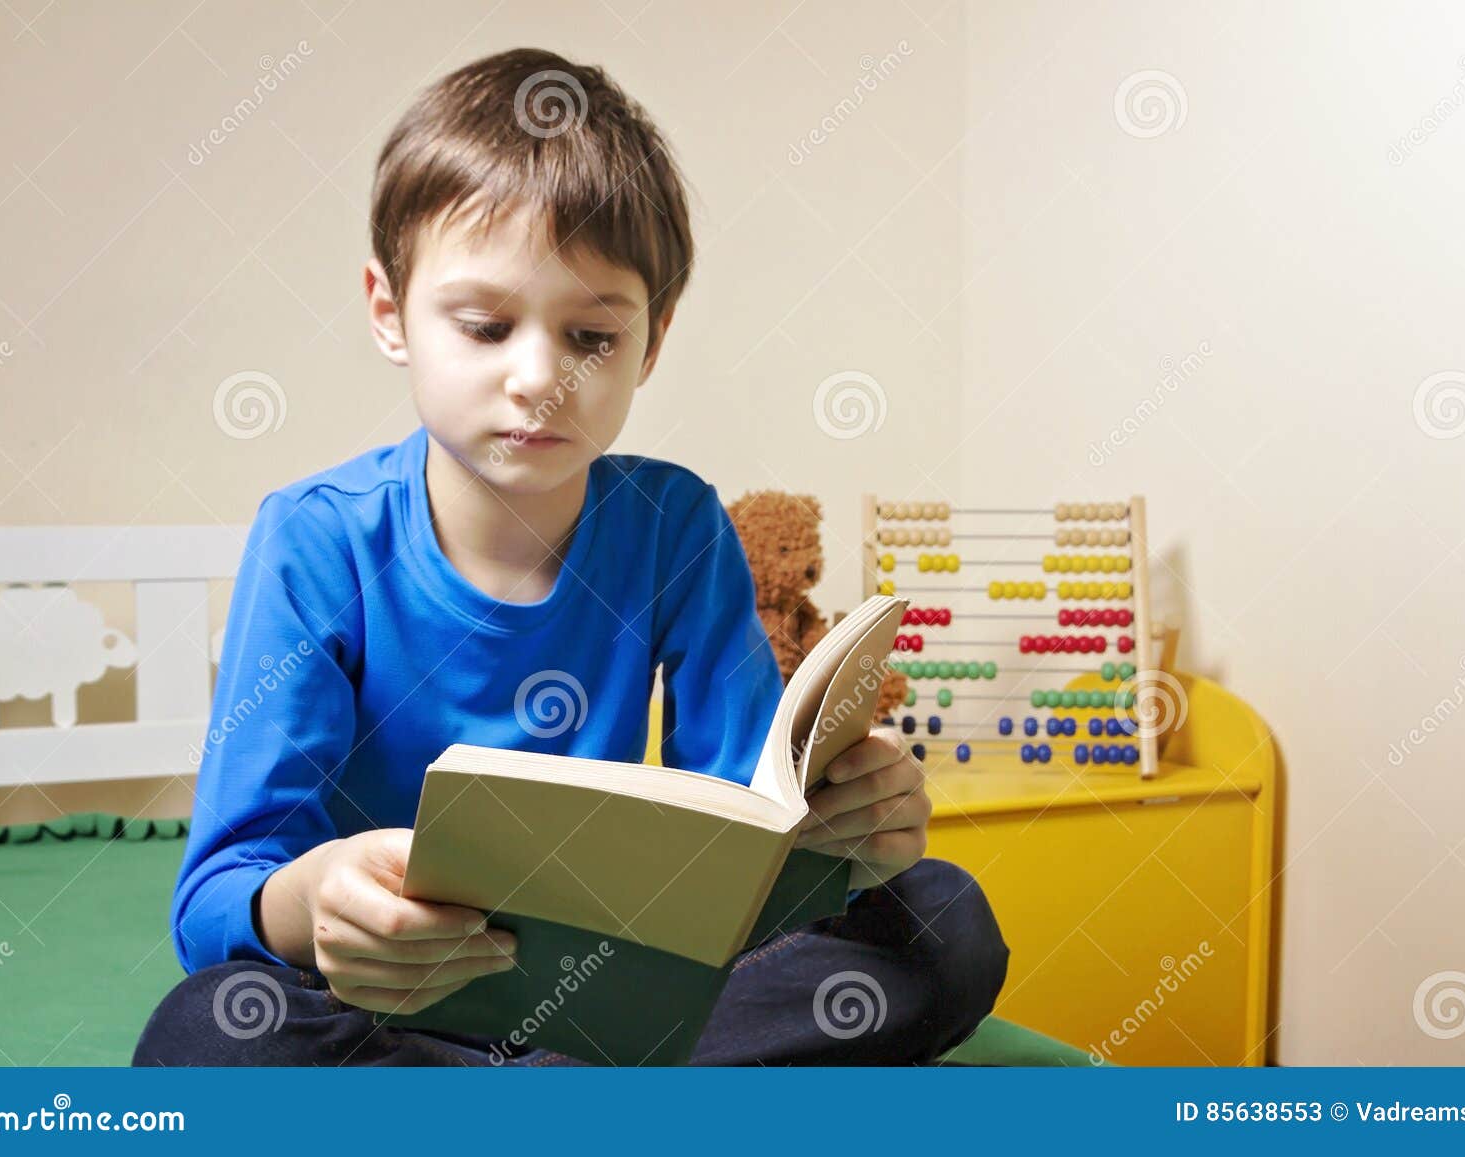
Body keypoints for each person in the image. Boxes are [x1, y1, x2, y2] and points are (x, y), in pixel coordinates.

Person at [134, 47, 1007, 1067]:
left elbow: (745, 833)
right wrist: (318, 895)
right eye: (486, 326)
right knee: (209, 1029)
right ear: (389, 311)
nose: (538, 378)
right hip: (385, 1007)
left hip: (616, 998)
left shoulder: (675, 523)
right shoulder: (315, 538)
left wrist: (848, 835)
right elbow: (215, 900)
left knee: (940, 919)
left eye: (591, 337)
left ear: (653, 339)